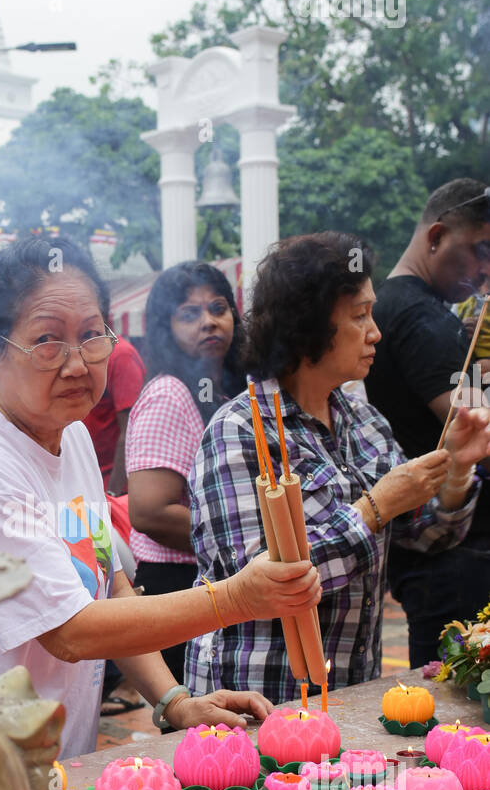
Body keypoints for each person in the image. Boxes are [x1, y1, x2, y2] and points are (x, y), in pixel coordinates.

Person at [0, 235, 322, 760]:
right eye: (47, 341)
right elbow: (71, 632)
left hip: (54, 766)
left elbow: (110, 585)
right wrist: (237, 598)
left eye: (91, 336)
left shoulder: (73, 435)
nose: (78, 363)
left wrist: (175, 701)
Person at [186, 232, 490, 704]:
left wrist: (455, 472)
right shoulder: (240, 431)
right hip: (256, 701)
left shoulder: (365, 421)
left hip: (350, 695)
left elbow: (428, 537)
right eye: (359, 315)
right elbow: (265, 583)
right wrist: (377, 505)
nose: (376, 332)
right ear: (307, 326)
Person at [366, 179, 490, 664]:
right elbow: (479, 421)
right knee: (455, 719)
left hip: (442, 551)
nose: (484, 269)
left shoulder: (422, 311)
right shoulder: (421, 316)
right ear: (436, 237)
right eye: (480, 250)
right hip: (455, 556)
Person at [125, 261, 244, 685]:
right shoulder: (168, 394)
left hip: (208, 580)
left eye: (218, 308)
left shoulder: (223, 390)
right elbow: (148, 512)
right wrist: (242, 538)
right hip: (174, 585)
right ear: (166, 326)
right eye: (190, 314)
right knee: (195, 727)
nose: (209, 322)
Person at [82, 327, 145, 495]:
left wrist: (112, 495)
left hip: (114, 487)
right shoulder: (77, 354)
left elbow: (131, 431)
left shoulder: (121, 355)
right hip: (88, 482)